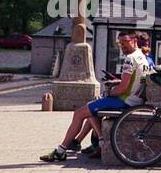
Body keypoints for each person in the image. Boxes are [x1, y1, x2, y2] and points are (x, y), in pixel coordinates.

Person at [41, 31, 150, 162]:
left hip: (126, 102)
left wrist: (109, 92)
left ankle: (61, 151)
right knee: (90, 109)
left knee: (79, 113)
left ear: (134, 41)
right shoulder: (142, 58)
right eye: (120, 43)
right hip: (136, 100)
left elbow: (123, 88)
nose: (122, 46)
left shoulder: (130, 59)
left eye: (125, 42)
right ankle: (99, 141)